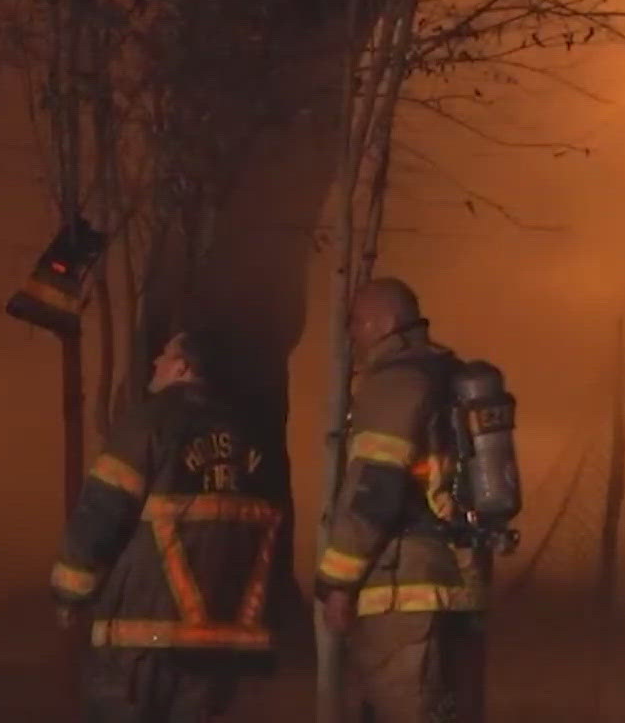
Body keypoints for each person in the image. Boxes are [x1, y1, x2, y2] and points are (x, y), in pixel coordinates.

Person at [51, 329, 287, 723]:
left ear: (183, 367)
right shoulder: (254, 438)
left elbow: (101, 512)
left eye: (164, 355)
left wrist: (70, 593)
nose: (156, 363)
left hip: (142, 644)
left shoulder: (150, 422)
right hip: (219, 646)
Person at [316, 277, 487, 722]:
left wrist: (337, 583)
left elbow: (374, 491)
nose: (351, 333)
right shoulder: (452, 376)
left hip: (402, 593)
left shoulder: (395, 384)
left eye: (357, 322)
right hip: (458, 587)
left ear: (386, 323)